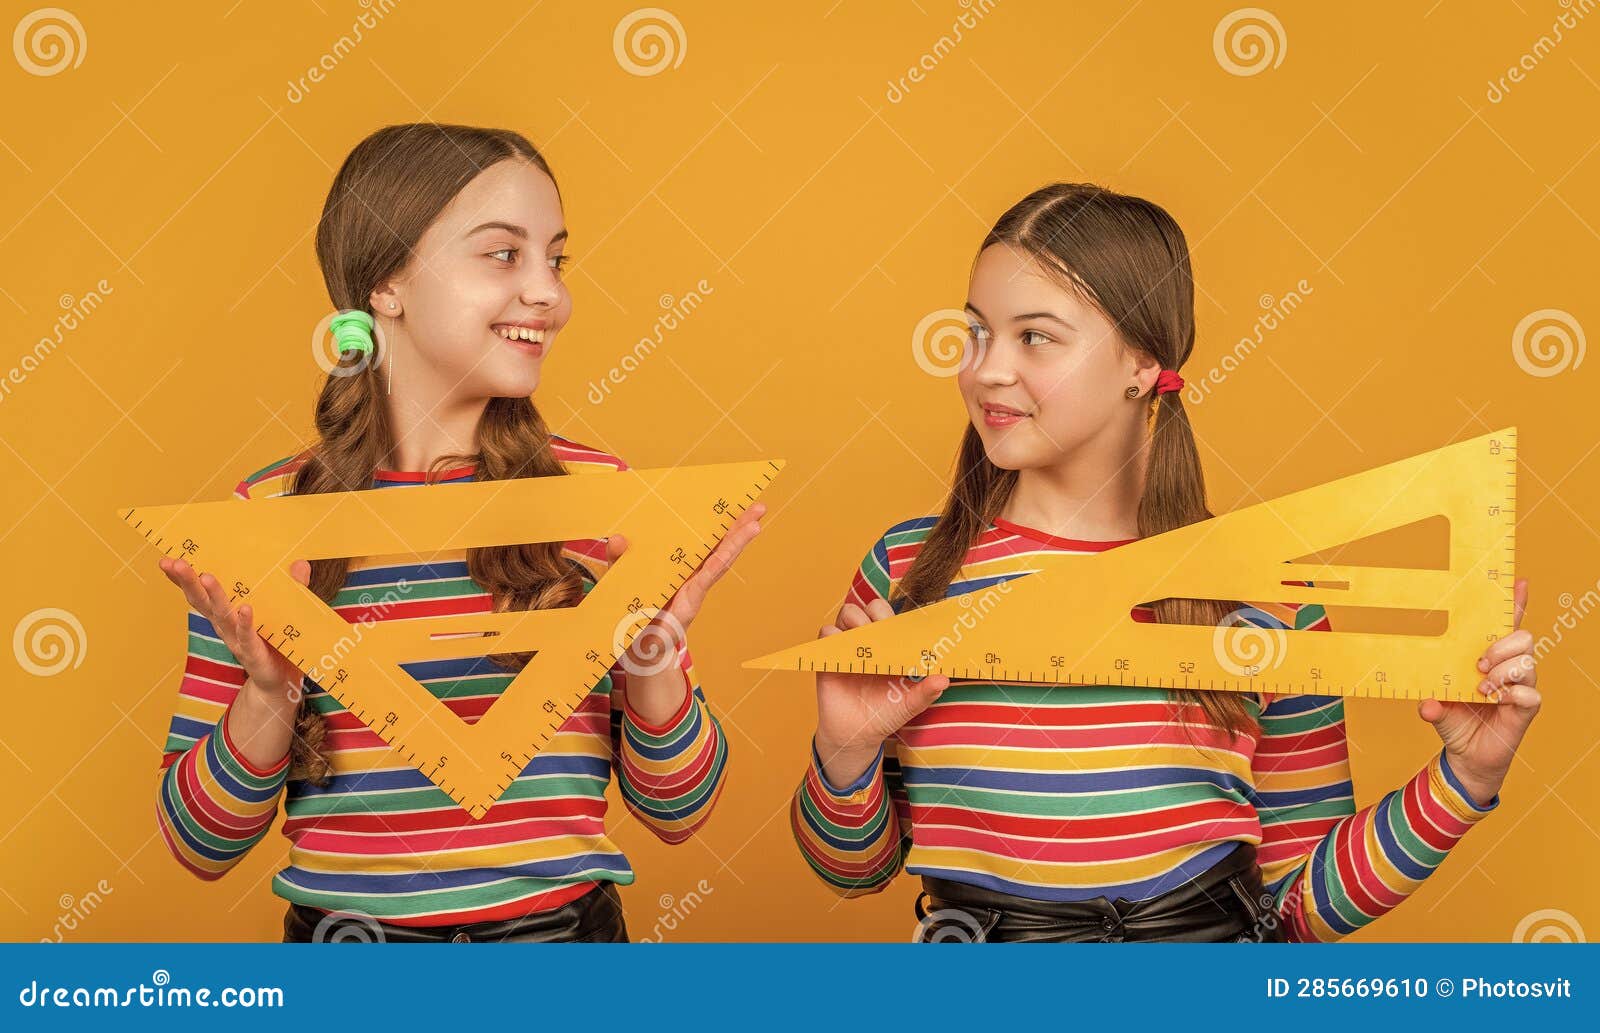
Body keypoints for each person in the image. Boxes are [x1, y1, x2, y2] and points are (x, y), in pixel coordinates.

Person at [791, 182, 1540, 943]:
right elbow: (850, 870)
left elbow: (1295, 911)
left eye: (1035, 336)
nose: (986, 370)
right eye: (977, 333)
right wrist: (843, 754)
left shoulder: (1267, 599)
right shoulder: (909, 570)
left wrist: (1464, 781)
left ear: (1143, 362)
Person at [154, 123, 762, 943]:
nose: (551, 293)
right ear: (388, 284)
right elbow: (200, 842)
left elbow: (681, 808)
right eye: (504, 254)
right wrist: (270, 693)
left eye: (557, 258)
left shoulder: (597, 504)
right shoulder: (268, 518)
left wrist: (652, 660)